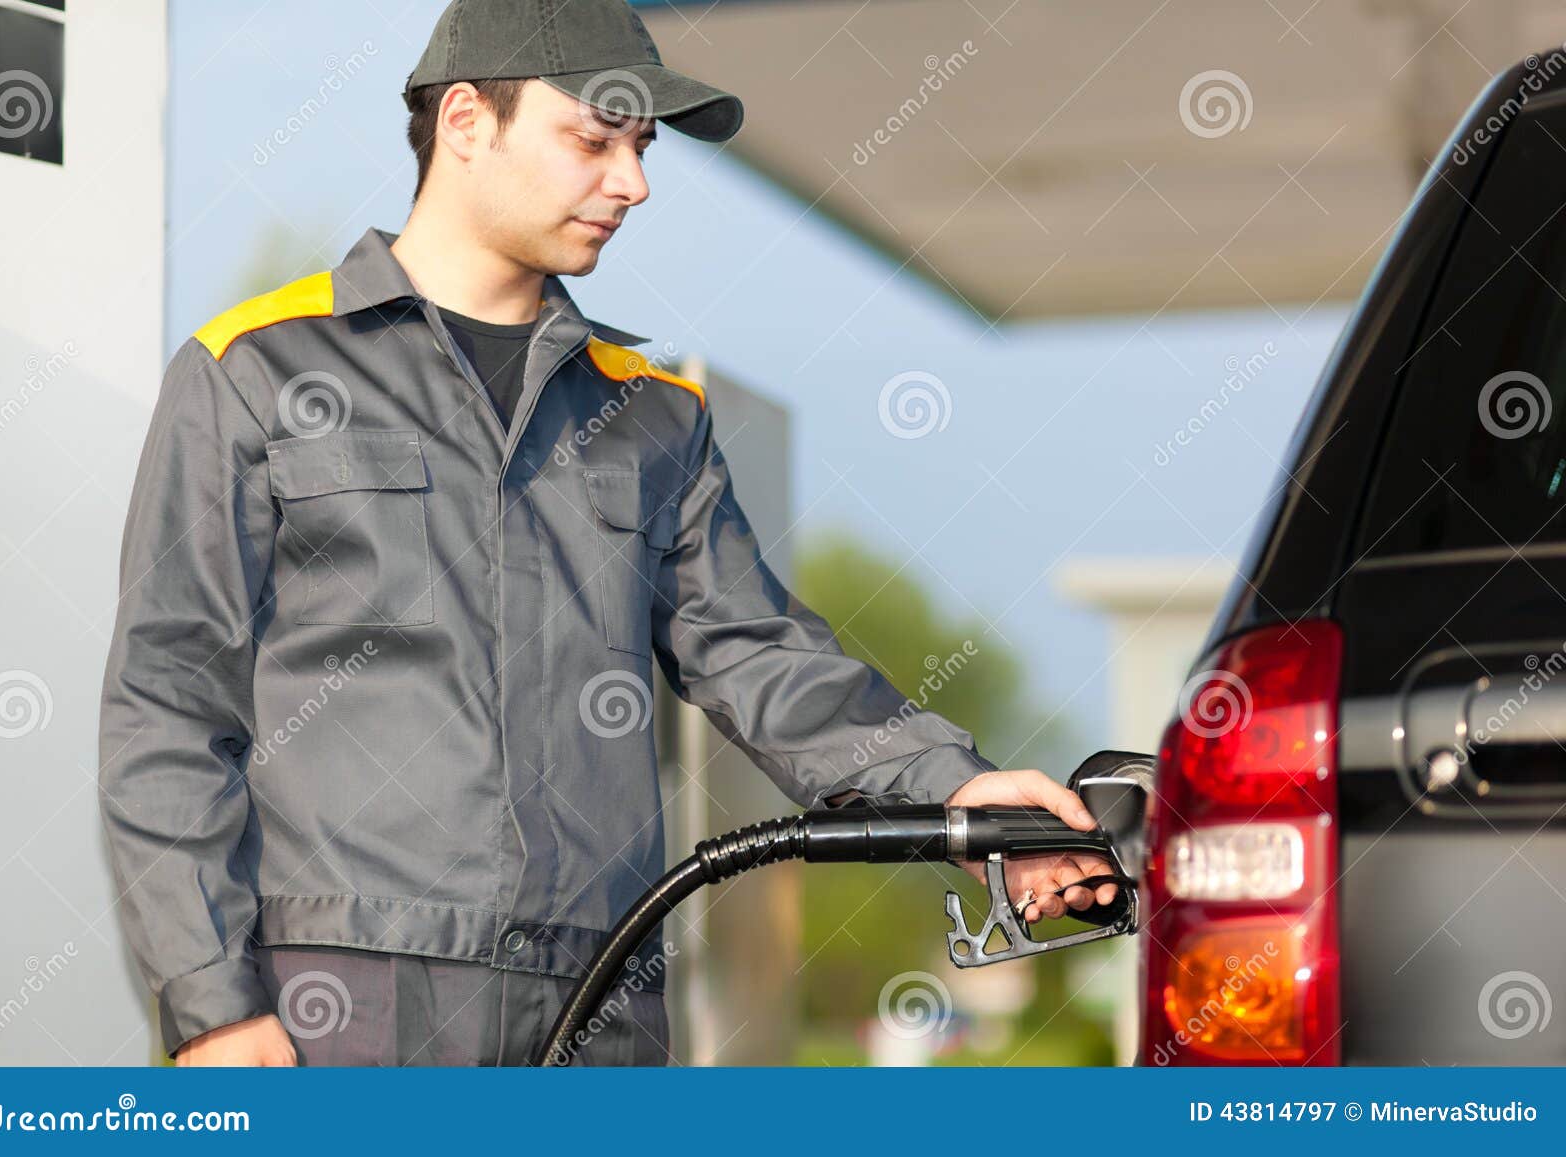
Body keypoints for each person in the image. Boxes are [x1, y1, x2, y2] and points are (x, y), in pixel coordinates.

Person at [96, 0, 1118, 1068]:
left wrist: (954, 789)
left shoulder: (650, 411)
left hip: (601, 993)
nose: (631, 182)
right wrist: (212, 1001)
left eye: (639, 148)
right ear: (464, 121)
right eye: (593, 140)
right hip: (344, 996)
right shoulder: (257, 372)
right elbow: (167, 707)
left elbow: (758, 653)